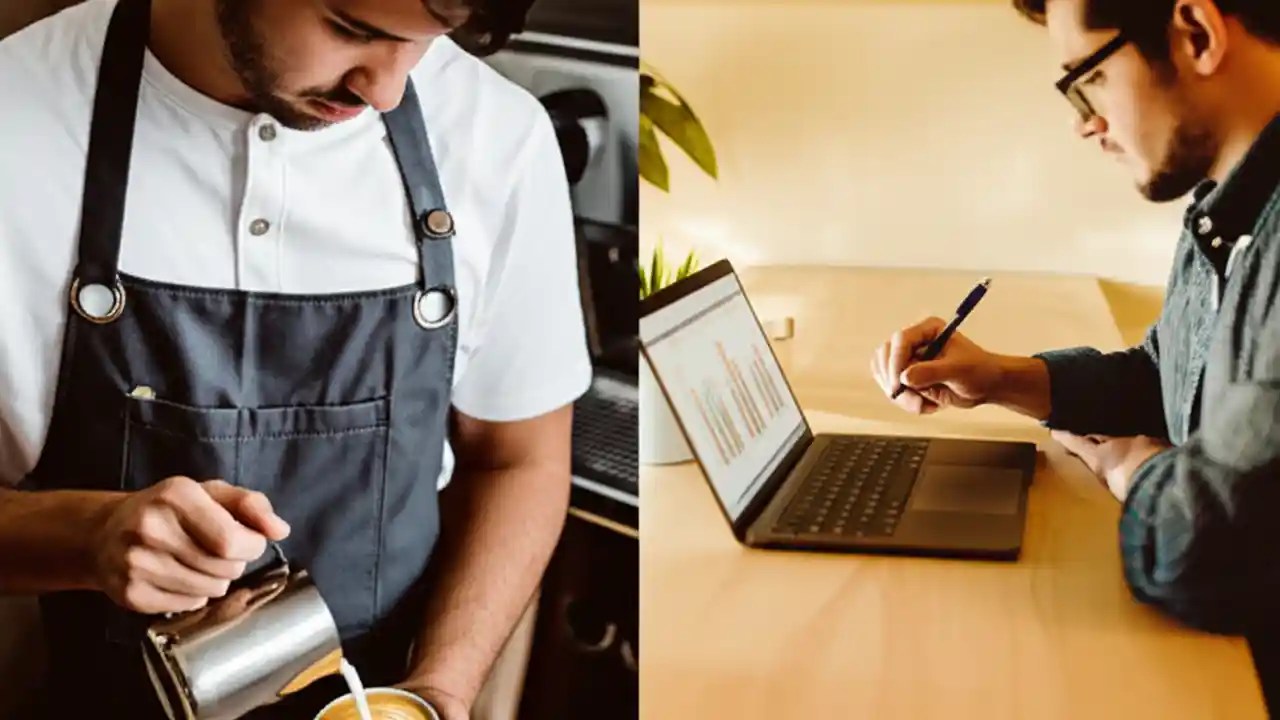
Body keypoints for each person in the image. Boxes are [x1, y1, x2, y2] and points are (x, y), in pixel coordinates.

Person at [0, 0, 593, 717]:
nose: (386, 91)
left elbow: (519, 459)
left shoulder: (497, 138)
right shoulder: (19, 117)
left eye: (428, 44)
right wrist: (85, 536)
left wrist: (440, 688)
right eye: (353, 29)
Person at [871, 0, 1280, 707]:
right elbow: (1169, 377)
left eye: (1085, 79)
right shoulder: (1226, 207)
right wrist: (1001, 377)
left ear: (1197, 34)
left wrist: (1128, 465)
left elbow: (1210, 552)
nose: (1084, 123)